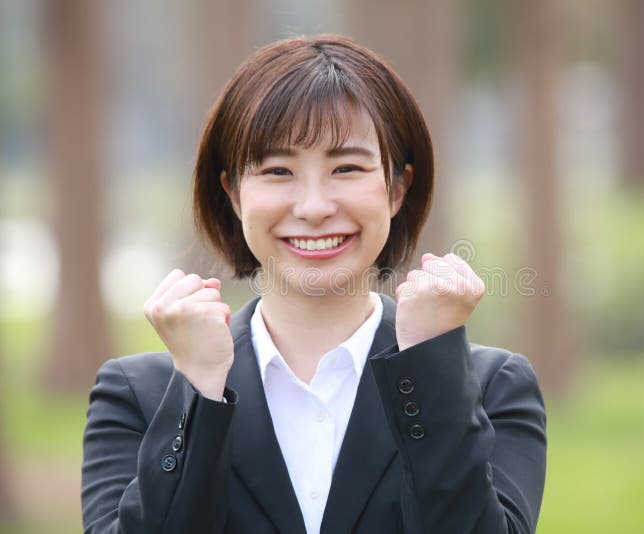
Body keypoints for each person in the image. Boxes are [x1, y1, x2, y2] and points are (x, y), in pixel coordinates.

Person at [81, 34, 546, 534]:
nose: (314, 207)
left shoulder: (493, 388)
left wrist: (430, 365)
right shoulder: (138, 396)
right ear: (233, 194)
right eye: (278, 170)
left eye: (346, 168)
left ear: (397, 187)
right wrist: (198, 388)